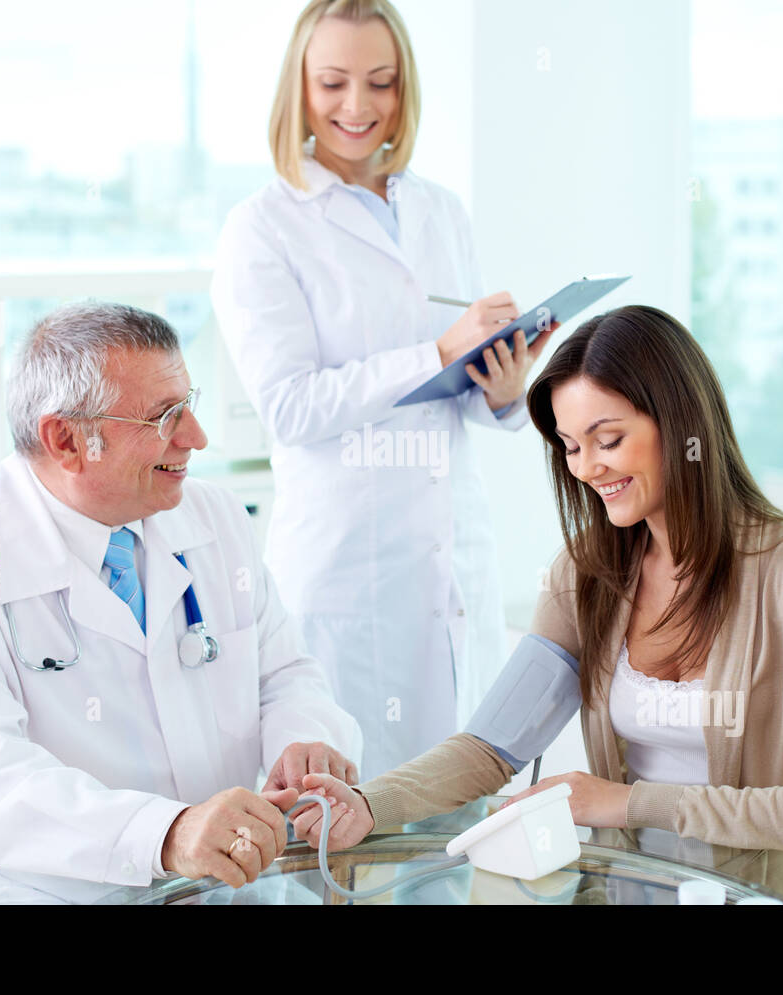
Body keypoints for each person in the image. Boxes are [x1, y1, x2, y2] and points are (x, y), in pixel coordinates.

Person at [289, 305, 783, 856]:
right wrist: (370, 803)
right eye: (571, 447)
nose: (587, 468)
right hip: (633, 889)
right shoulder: (586, 575)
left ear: (682, 425)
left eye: (609, 440)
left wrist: (624, 803)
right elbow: (490, 748)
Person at [0, 302, 362, 902]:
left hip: (219, 881)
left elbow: (286, 674)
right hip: (46, 890)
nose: (196, 437)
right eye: (165, 417)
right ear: (65, 439)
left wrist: (304, 740)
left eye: (189, 403)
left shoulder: (211, 516)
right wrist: (163, 833)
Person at [210, 0, 553, 779]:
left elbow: (455, 394)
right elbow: (291, 406)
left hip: (448, 555)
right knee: (327, 827)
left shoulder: (441, 212)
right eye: (332, 83)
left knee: (453, 809)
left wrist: (501, 385)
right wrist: (433, 347)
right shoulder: (263, 228)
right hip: (343, 572)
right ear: (298, 87)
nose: (357, 107)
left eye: (381, 82)